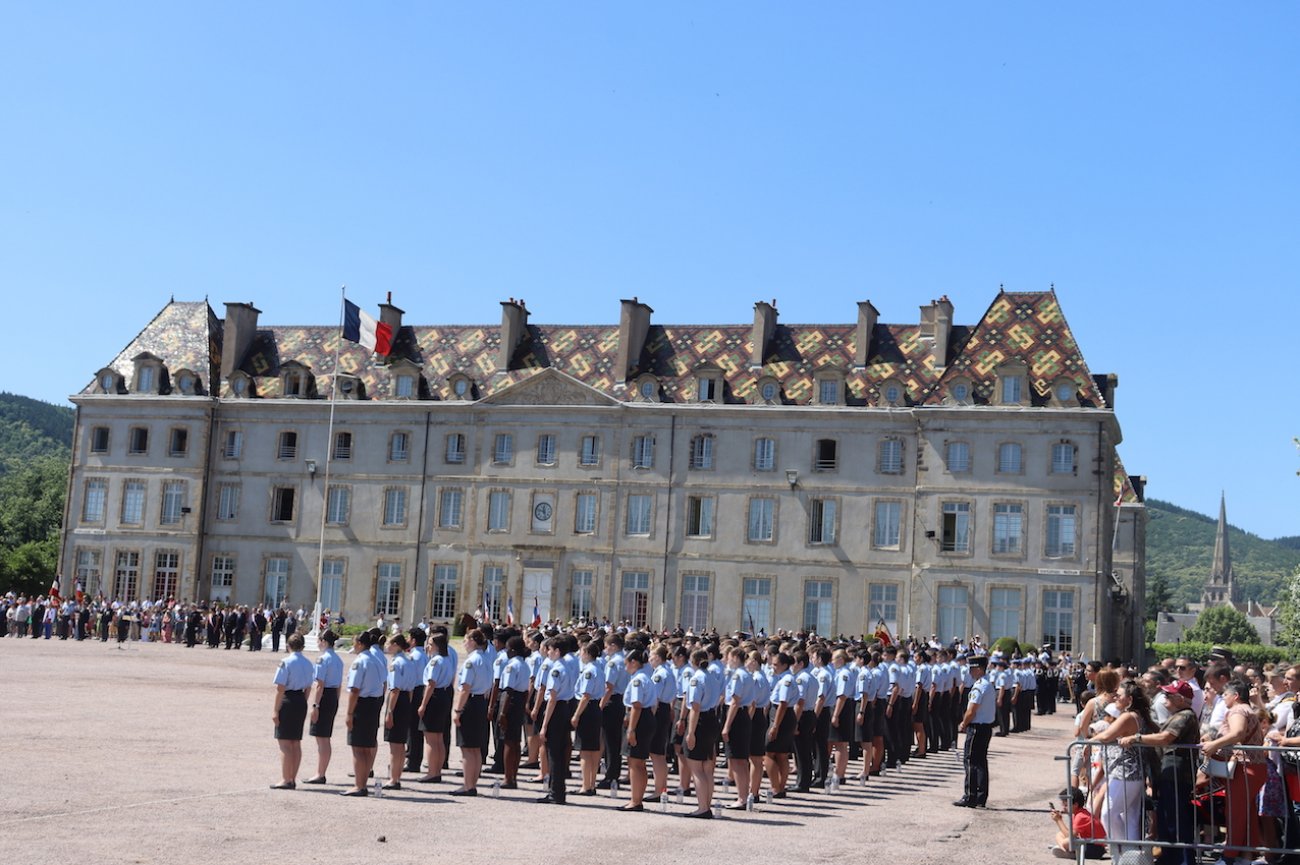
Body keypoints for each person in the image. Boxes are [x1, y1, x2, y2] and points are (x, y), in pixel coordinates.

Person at [1119, 679, 1199, 865]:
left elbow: (1166, 737)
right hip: (1169, 771)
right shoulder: (1179, 715)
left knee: (1176, 818)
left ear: (1180, 698)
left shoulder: (1185, 715)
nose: (1164, 699)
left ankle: (1183, 860)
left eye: (1169, 695)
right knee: (1166, 817)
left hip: (1176, 772)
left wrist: (1136, 737)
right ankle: (1170, 857)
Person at [1201, 679, 1269, 865]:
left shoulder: (1238, 710)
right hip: (1253, 768)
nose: (1223, 698)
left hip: (1245, 769)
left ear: (1236, 696)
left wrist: (1214, 744)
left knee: (1237, 813)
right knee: (1246, 813)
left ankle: (1229, 857)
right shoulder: (1250, 711)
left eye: (1225, 695)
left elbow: (1238, 733)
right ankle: (1246, 856)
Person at [1087, 679, 1156, 858]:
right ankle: (1131, 856)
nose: (1116, 696)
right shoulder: (1139, 716)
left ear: (1130, 699)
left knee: (1108, 813)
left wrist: (1086, 742)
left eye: (1120, 694)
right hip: (1135, 774)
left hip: (1125, 773)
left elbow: (1107, 735)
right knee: (1130, 817)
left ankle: (1121, 853)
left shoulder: (1129, 716)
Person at [341, 630, 385, 796]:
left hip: (363, 704)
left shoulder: (360, 662)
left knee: (358, 748)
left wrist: (349, 713)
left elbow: (354, 689)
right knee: (367, 748)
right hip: (374, 704)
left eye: (355, 642)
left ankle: (359, 785)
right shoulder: (376, 660)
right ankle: (363, 783)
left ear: (360, 644)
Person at [270, 633, 316, 789]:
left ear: (288, 645)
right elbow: (309, 687)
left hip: (288, 699)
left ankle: (285, 778)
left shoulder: (286, 662)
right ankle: (293, 777)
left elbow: (280, 688)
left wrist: (275, 710)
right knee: (296, 742)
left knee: (284, 743)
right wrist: (303, 700)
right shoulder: (309, 663)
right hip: (301, 699)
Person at [450, 628, 492, 796]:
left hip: (471, 702)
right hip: (481, 700)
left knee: (467, 748)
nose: (464, 643)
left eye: (466, 640)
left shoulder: (472, 661)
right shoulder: (486, 659)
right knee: (476, 748)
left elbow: (465, 688)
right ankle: (472, 783)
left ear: (473, 641)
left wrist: (458, 710)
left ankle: (468, 785)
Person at [536, 636, 575, 805]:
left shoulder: (555, 669)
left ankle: (555, 792)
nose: (548, 652)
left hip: (556, 709)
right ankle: (557, 790)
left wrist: (544, 725)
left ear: (557, 652)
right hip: (565, 707)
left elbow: (552, 698)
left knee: (554, 753)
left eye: (550, 650)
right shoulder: (567, 666)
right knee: (558, 753)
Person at [684, 648, 721, 817]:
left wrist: (690, 732)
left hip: (701, 721)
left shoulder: (696, 678)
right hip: (712, 719)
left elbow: (695, 707)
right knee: (707, 768)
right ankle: (707, 804)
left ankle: (703, 807)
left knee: (696, 768)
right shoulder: (712, 676)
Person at [303, 629, 343, 785]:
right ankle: (321, 772)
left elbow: (319, 684)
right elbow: (339, 685)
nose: (318, 643)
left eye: (319, 640)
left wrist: (315, 705)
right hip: (333, 696)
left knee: (322, 738)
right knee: (325, 737)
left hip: (324, 696)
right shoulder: (338, 659)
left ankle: (320, 773)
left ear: (324, 642)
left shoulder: (323, 659)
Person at [955, 656, 994, 808]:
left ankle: (970, 796)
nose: (970, 672)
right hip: (985, 727)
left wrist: (964, 723)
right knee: (981, 762)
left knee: (971, 761)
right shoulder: (987, 684)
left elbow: (971, 710)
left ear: (978, 669)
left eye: (972, 669)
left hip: (977, 727)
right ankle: (980, 796)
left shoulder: (979, 686)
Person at [415, 631, 453, 783]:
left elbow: (431, 683)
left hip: (435, 697)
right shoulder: (447, 660)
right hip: (444, 696)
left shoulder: (435, 661)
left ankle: (432, 772)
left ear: (437, 646)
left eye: (430, 644)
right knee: (439, 738)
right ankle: (437, 770)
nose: (428, 647)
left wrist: (423, 704)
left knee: (431, 738)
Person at [619, 649, 655, 811]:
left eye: (626, 663)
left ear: (634, 662)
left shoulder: (638, 680)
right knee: (639, 762)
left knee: (634, 762)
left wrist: (631, 729)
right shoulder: (643, 677)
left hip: (640, 719)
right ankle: (637, 798)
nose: (625, 666)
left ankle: (635, 800)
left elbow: (636, 705)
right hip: (646, 718)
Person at [570, 638, 605, 795]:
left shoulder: (589, 670)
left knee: (585, 749)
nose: (580, 655)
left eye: (582, 652)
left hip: (588, 708)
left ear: (587, 653)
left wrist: (576, 715)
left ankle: (586, 785)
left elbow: (585, 695)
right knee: (592, 749)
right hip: (595, 707)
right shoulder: (598, 667)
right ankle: (591, 783)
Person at [381, 633, 415, 790]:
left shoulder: (396, 663)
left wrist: (389, 711)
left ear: (397, 645)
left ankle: (393, 779)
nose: (387, 646)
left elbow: (394, 689)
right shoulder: (408, 661)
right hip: (405, 700)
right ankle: (397, 776)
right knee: (401, 743)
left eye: (389, 643)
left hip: (397, 701)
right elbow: (411, 690)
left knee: (395, 744)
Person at [497, 635, 530, 789]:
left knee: (509, 741)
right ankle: (513, 776)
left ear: (512, 650)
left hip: (510, 702)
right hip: (519, 701)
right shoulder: (524, 664)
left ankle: (508, 777)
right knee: (515, 742)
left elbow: (508, 691)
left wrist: (502, 713)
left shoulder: (512, 665)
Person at [765, 651, 797, 801]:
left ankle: (776, 786)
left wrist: (775, 726)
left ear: (785, 665)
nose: (773, 667)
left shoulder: (786, 680)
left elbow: (782, 704)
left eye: (776, 664)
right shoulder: (784, 678)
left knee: (770, 752)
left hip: (781, 717)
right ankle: (780, 787)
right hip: (783, 716)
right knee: (781, 754)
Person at [1048, 786, 1107, 859]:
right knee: (1059, 835)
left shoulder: (1081, 816)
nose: (1063, 808)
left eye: (1066, 805)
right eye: (1063, 805)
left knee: (1066, 842)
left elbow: (1069, 836)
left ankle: (1069, 852)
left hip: (1095, 848)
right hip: (1089, 844)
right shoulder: (1078, 813)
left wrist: (1059, 820)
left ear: (1075, 805)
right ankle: (1067, 850)